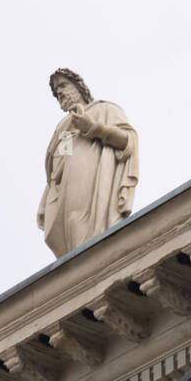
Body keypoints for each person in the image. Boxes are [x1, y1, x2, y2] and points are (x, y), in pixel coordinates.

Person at [37, 68, 139, 258]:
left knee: (91, 233)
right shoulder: (64, 127)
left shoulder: (105, 110)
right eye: (55, 91)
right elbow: (60, 166)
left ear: (78, 87)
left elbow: (127, 141)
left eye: (62, 85)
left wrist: (93, 128)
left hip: (96, 184)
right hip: (67, 194)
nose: (59, 92)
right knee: (74, 232)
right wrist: (47, 198)